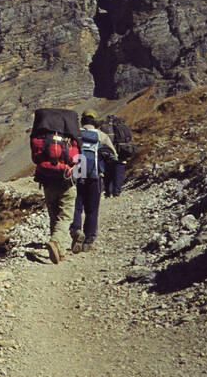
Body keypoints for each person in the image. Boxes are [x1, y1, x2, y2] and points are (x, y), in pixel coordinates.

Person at [30, 108, 81, 264]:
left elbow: (35, 158)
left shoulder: (40, 138)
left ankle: (60, 250)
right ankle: (56, 242)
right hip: (66, 181)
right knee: (65, 217)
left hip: (47, 181)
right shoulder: (70, 140)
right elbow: (75, 159)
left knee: (53, 215)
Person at [69, 110, 118, 253]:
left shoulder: (75, 133)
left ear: (82, 120)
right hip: (95, 176)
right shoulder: (101, 135)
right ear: (95, 121)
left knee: (76, 206)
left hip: (78, 174)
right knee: (92, 209)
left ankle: (76, 230)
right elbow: (113, 155)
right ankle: (89, 240)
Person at [100, 113, 134, 197]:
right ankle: (117, 192)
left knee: (108, 173)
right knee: (119, 172)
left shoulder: (105, 127)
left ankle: (108, 192)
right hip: (122, 151)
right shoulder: (122, 126)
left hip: (109, 153)